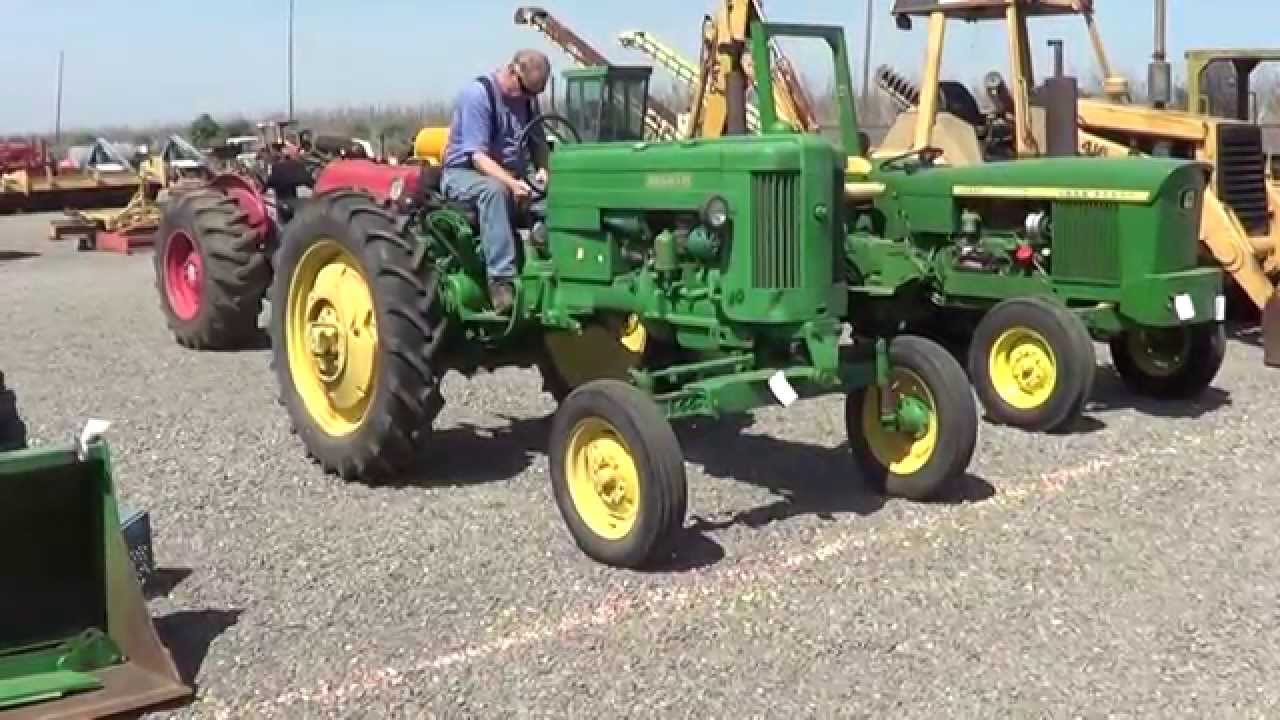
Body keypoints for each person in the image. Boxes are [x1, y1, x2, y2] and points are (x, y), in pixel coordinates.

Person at [441, 49, 552, 314]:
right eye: (527, 91)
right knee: (494, 192)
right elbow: (478, 158)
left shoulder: (527, 101)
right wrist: (513, 185)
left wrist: (545, 172)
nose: (530, 98)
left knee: (555, 196)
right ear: (513, 73)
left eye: (535, 94)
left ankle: (549, 255)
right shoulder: (478, 96)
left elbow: (539, 145)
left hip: (510, 174)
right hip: (464, 174)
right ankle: (501, 283)